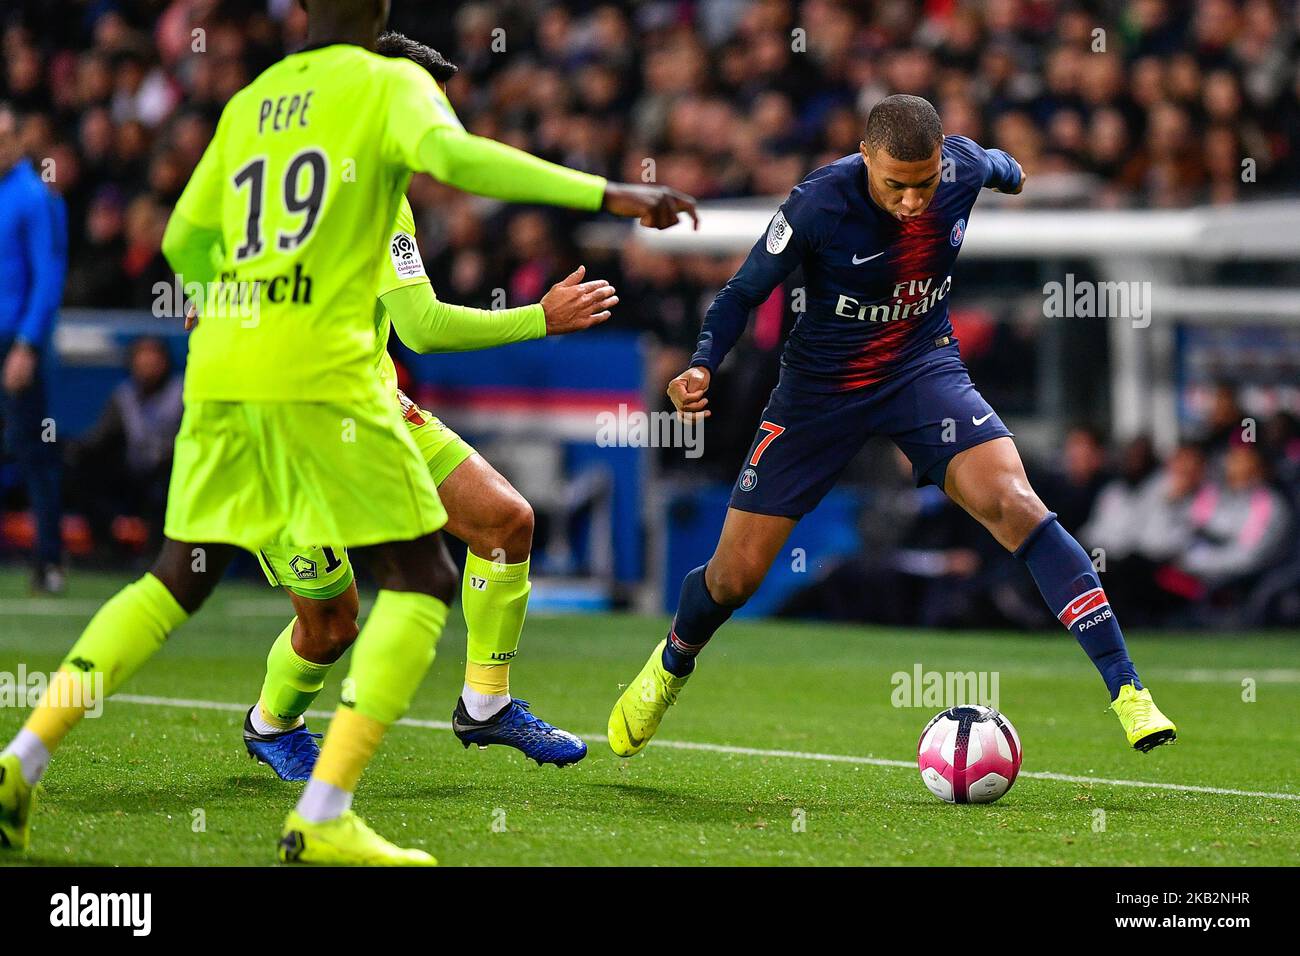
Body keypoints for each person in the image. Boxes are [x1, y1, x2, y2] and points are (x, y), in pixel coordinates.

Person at [0, 0, 695, 866]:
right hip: (319, 386)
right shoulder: (383, 86)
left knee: (180, 578)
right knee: (378, 599)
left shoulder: (255, 99)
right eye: (433, 103)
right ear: (378, 25)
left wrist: (229, 308)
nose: (436, 117)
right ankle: (315, 791)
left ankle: (20, 759)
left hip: (244, 373)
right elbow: (448, 221)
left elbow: (183, 236)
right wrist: (609, 194)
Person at [607, 94, 1177, 761]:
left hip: (921, 373)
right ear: (865, 159)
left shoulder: (959, 168)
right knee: (735, 577)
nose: (912, 201)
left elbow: (997, 164)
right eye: (895, 186)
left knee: (1018, 504)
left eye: (924, 184)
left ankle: (1128, 690)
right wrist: (702, 364)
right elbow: (741, 294)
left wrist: (1017, 173)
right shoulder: (819, 203)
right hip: (820, 395)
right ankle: (671, 664)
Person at [239, 31, 632, 781]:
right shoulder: (347, 195)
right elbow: (421, 326)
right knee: (329, 625)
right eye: (430, 113)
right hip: (284, 429)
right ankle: (270, 723)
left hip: (373, 409)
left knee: (505, 522)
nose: (440, 135)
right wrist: (539, 318)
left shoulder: (362, 188)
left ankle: (484, 704)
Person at [0, 102, 67, 594]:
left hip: (13, 341)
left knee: (34, 453)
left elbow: (48, 275)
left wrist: (27, 344)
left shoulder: (33, 196)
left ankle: (49, 559)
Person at [65, 336, 183, 553]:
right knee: (85, 477)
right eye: (142, 358)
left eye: (153, 359)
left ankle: (156, 555)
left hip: (170, 471)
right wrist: (72, 448)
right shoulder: (125, 395)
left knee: (167, 488)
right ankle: (108, 548)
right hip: (134, 470)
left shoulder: (181, 393)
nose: (147, 365)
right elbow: (101, 436)